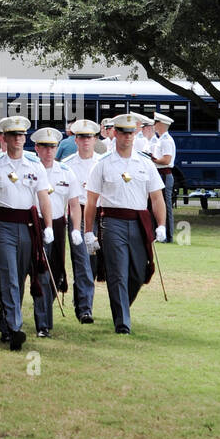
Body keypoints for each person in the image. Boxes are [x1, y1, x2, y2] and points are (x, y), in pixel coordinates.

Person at [0, 116, 54, 351]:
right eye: (13, 135)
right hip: (4, 225)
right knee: (8, 278)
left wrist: (48, 226)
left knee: (19, 278)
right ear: (4, 138)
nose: (18, 139)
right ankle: (16, 328)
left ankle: (5, 324)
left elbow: (44, 197)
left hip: (28, 226)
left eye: (21, 135)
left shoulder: (34, 166)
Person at [83, 115, 167, 334]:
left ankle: (121, 307)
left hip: (139, 222)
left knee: (139, 272)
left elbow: (157, 197)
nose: (127, 137)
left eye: (131, 133)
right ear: (116, 134)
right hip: (112, 222)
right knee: (118, 272)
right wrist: (88, 232)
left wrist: (161, 224)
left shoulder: (145, 163)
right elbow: (91, 201)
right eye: (123, 132)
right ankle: (122, 322)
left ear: (135, 134)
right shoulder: (102, 164)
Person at [30, 127, 83, 337]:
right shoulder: (30, 169)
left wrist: (76, 229)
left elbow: (74, 203)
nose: (49, 151)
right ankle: (43, 324)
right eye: (44, 146)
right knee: (41, 273)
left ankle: (43, 310)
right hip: (34, 223)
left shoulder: (66, 171)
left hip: (59, 226)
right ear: (37, 148)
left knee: (56, 272)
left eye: (52, 146)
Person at [59, 120, 98, 321]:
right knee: (82, 260)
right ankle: (85, 309)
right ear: (75, 140)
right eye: (81, 137)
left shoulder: (102, 162)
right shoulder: (67, 165)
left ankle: (80, 297)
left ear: (95, 139)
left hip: (101, 214)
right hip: (79, 214)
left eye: (89, 137)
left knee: (93, 263)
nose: (85, 141)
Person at [149, 112, 176, 242]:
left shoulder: (165, 140)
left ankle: (168, 236)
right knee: (161, 204)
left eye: (155, 123)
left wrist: (153, 159)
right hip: (161, 173)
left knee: (165, 205)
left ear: (160, 125)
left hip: (164, 173)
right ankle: (163, 234)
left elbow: (166, 160)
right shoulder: (161, 139)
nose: (153, 125)